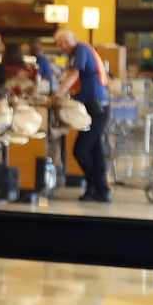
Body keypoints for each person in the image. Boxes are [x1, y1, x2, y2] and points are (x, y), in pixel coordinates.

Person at [54, 27, 112, 202]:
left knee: (81, 150)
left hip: (97, 109)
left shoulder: (81, 49)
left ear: (68, 40)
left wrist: (57, 95)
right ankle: (101, 190)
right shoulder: (78, 52)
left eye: (62, 43)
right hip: (92, 108)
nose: (61, 47)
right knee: (95, 150)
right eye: (59, 44)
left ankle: (93, 185)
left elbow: (74, 74)